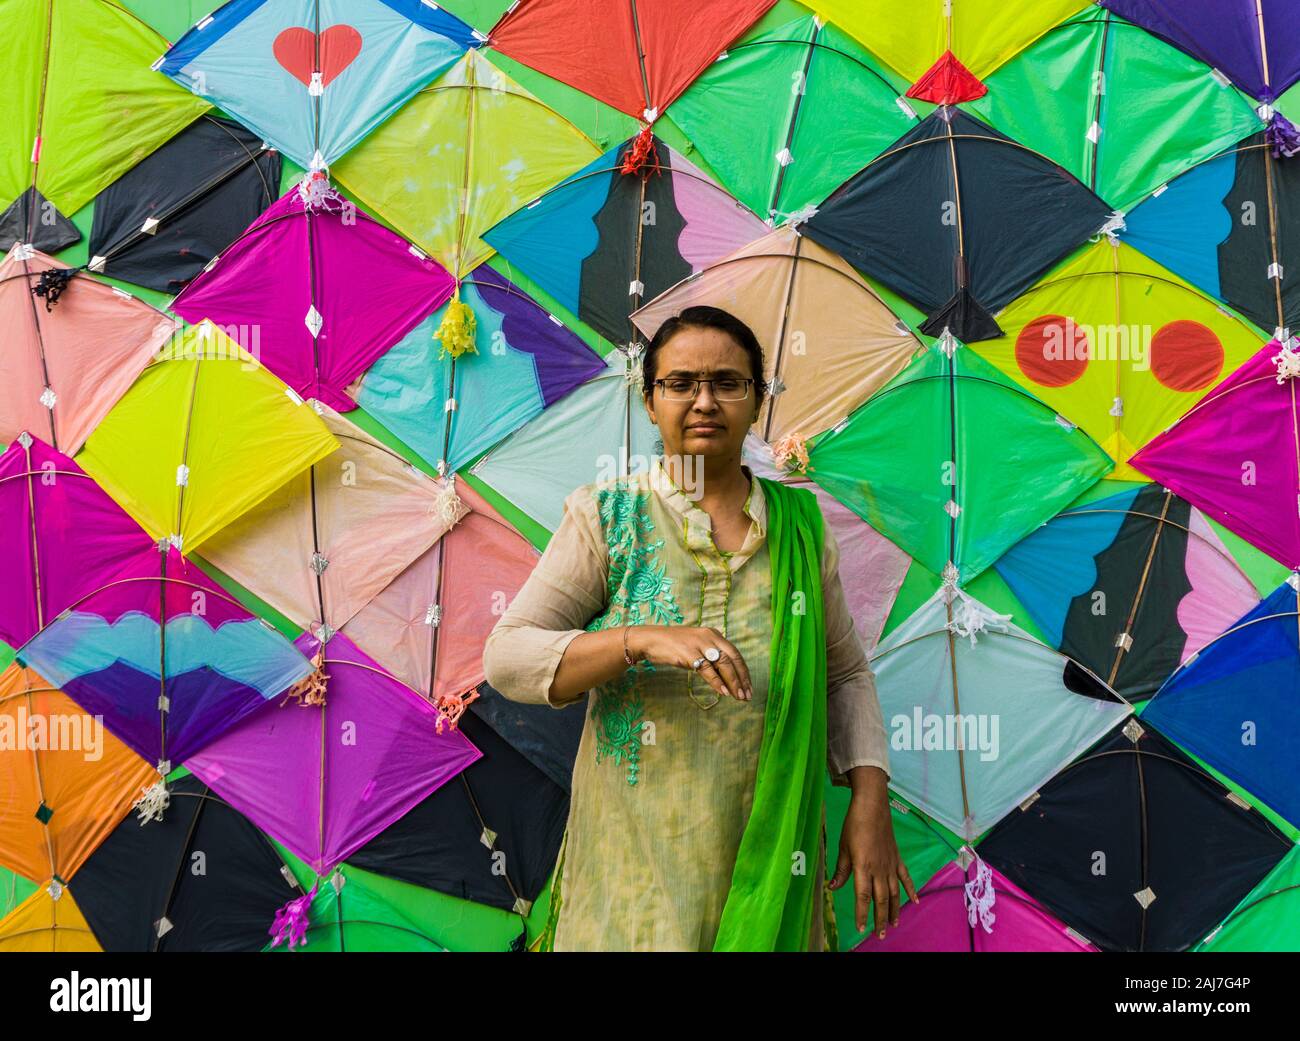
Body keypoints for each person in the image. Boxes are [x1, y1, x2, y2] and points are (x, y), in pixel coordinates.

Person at [482, 305, 917, 951]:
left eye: (727, 382)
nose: (704, 400)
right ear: (650, 400)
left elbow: (845, 670)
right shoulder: (609, 515)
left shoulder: (798, 526)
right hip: (633, 861)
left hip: (769, 841)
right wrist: (641, 638)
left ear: (757, 398)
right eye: (681, 383)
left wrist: (869, 799)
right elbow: (508, 657)